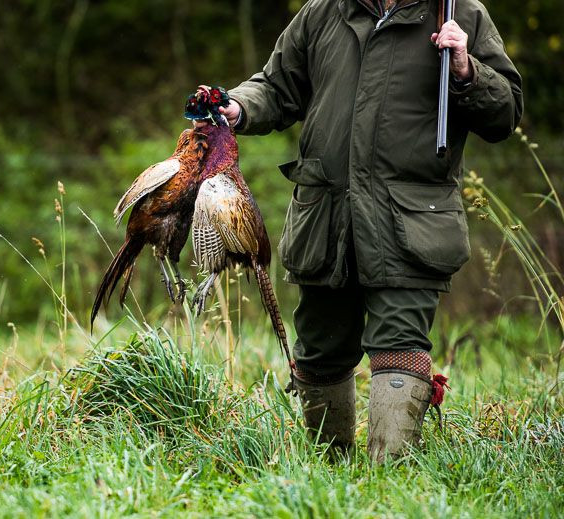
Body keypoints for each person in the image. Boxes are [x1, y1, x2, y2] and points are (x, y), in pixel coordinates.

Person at [202, 0, 522, 462]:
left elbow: (506, 112)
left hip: (411, 222)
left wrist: (467, 69)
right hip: (326, 216)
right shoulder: (323, 12)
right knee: (321, 346)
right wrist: (236, 107)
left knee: (400, 342)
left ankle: (388, 478)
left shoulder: (460, 13)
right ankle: (329, 471)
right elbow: (276, 87)